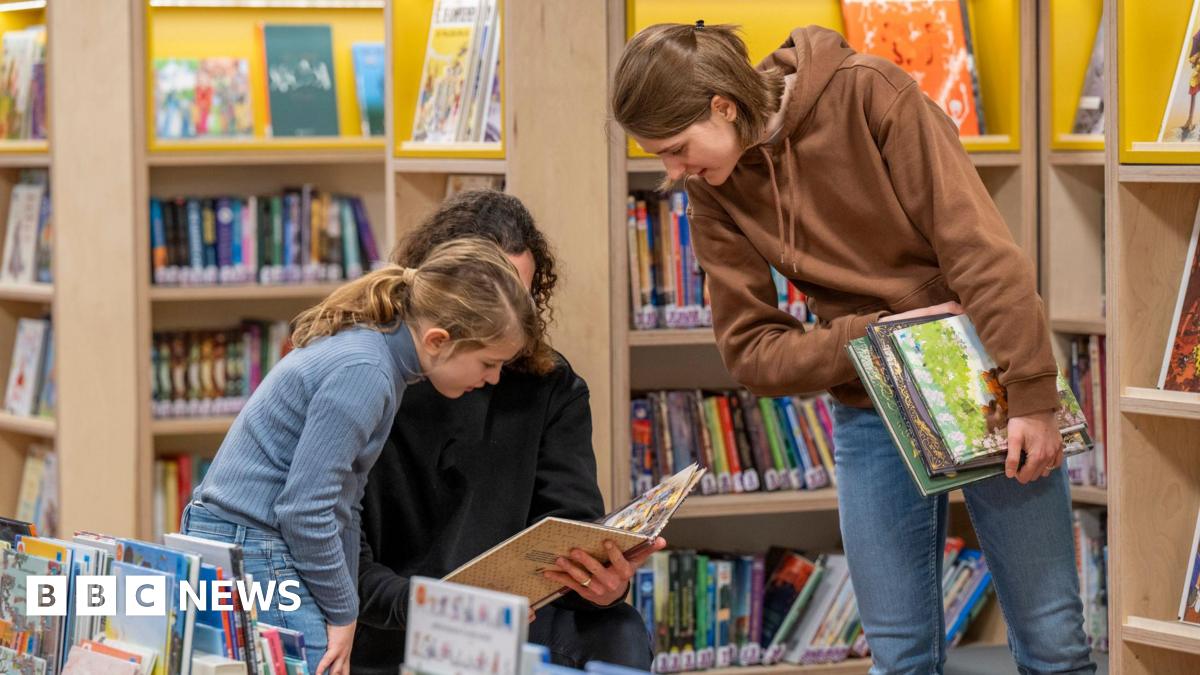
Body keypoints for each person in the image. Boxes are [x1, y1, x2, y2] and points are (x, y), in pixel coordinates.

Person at [611, 22, 1095, 674]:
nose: (671, 172)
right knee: (898, 659)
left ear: (722, 104)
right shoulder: (712, 188)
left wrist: (1033, 394)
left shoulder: (868, 93)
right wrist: (879, 335)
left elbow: (980, 253)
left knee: (1054, 645)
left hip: (986, 376)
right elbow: (752, 353)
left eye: (675, 148)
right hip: (871, 399)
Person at [182, 238, 537, 675]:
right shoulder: (366, 371)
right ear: (438, 340)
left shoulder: (380, 359)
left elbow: (344, 504)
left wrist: (342, 607)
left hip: (247, 538)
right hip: (255, 545)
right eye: (488, 362)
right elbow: (306, 510)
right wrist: (344, 613)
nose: (494, 378)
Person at [352, 190, 661, 674]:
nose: (508, 318)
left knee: (616, 631)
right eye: (492, 296)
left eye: (521, 297)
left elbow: (570, 527)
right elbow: (341, 561)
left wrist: (603, 585)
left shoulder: (549, 385)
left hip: (514, 614)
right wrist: (443, 608)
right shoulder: (368, 379)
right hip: (393, 614)